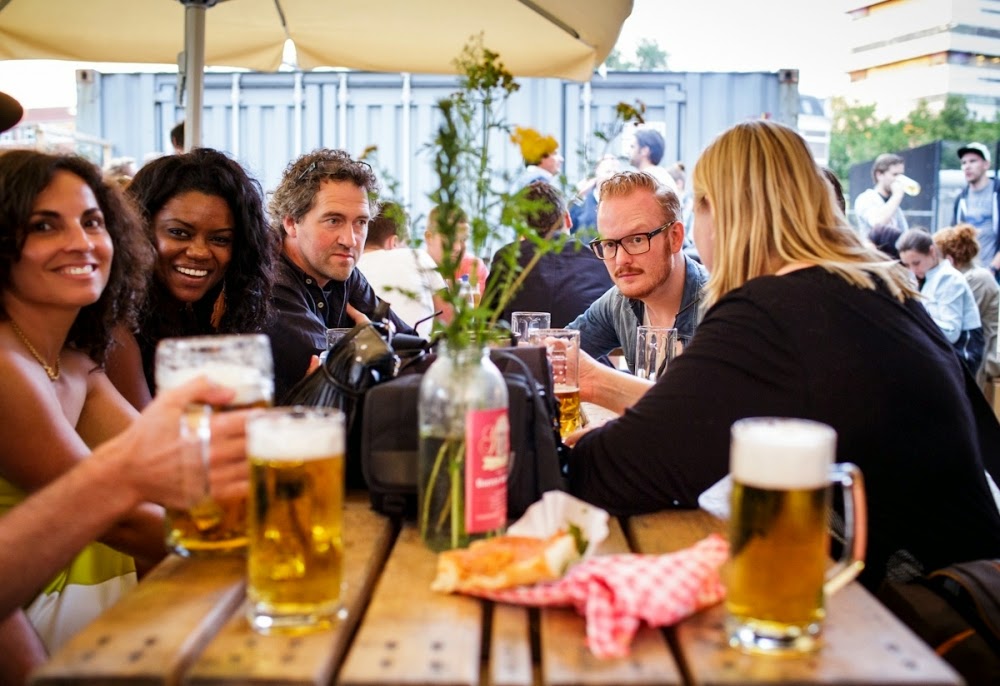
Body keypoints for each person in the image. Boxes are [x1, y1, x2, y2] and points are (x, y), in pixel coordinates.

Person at [566, 119, 1000, 595]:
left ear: (719, 214)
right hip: (974, 589)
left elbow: (610, 471)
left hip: (920, 618)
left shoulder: (771, 312)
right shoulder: (878, 287)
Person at [0, 150, 161, 662]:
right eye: (45, 226)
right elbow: (122, 519)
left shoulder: (72, 364)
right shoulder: (6, 366)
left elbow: (160, 467)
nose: (82, 243)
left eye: (93, 222)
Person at [0, 376, 248, 620]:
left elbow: (176, 479)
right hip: (49, 600)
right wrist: (246, 547)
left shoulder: (76, 366)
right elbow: (122, 521)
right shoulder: (8, 371)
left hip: (114, 576)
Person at [105, 148, 276, 408]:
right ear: (138, 230)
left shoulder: (198, 313)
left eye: (220, 239)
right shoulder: (117, 324)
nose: (199, 252)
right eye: (179, 233)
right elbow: (151, 437)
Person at [265, 149, 416, 401]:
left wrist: (373, 349)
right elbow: (334, 375)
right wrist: (375, 341)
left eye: (361, 222)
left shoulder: (343, 272)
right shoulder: (270, 279)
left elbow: (413, 345)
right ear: (291, 223)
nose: (350, 240)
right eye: (333, 220)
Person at [566, 171, 708, 372]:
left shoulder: (718, 309)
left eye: (637, 240)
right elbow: (560, 354)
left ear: (675, 237)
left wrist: (603, 383)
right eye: (609, 244)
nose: (621, 259)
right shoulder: (619, 303)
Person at [486, 181, 613, 327]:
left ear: (522, 227)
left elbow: (486, 325)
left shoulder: (506, 258)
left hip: (522, 348)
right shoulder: (599, 259)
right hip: (586, 349)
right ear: (567, 219)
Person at [897, 228, 984, 377]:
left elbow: (952, 333)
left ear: (932, 252)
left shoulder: (948, 278)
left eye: (916, 263)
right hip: (944, 349)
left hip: (962, 350)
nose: (912, 270)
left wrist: (916, 319)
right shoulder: (927, 278)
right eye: (907, 265)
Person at [358, 201, 449, 337]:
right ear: (393, 242)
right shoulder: (417, 257)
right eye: (406, 243)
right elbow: (452, 320)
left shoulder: (351, 270)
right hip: (416, 353)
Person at [935, 223, 1000, 391]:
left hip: (986, 352)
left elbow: (965, 326)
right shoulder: (963, 278)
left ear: (948, 259)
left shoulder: (977, 279)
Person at [952, 142, 1000, 279]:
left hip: (994, 272)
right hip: (969, 273)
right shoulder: (961, 198)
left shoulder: (997, 193)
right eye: (963, 162)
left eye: (973, 161)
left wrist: (992, 269)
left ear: (986, 164)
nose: (967, 166)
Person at [424, 204, 489, 297]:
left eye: (464, 240)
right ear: (429, 237)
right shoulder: (414, 270)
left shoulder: (474, 267)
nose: (458, 248)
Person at [853, 152, 909, 238]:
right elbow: (878, 223)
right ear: (879, 174)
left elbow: (905, 236)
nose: (899, 180)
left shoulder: (894, 204)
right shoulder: (865, 199)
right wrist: (897, 196)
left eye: (901, 175)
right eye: (895, 174)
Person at [569, 155, 620, 235]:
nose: (611, 176)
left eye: (615, 172)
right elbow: (569, 228)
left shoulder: (622, 202)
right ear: (596, 171)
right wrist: (579, 196)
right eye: (608, 171)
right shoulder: (583, 199)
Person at [510, 126, 563, 191]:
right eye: (555, 154)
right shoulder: (538, 182)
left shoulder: (526, 179)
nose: (561, 159)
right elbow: (544, 201)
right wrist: (578, 198)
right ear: (541, 156)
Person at [628, 127, 678, 192]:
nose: (628, 151)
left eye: (632, 147)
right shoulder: (662, 176)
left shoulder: (645, 179)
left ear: (645, 151)